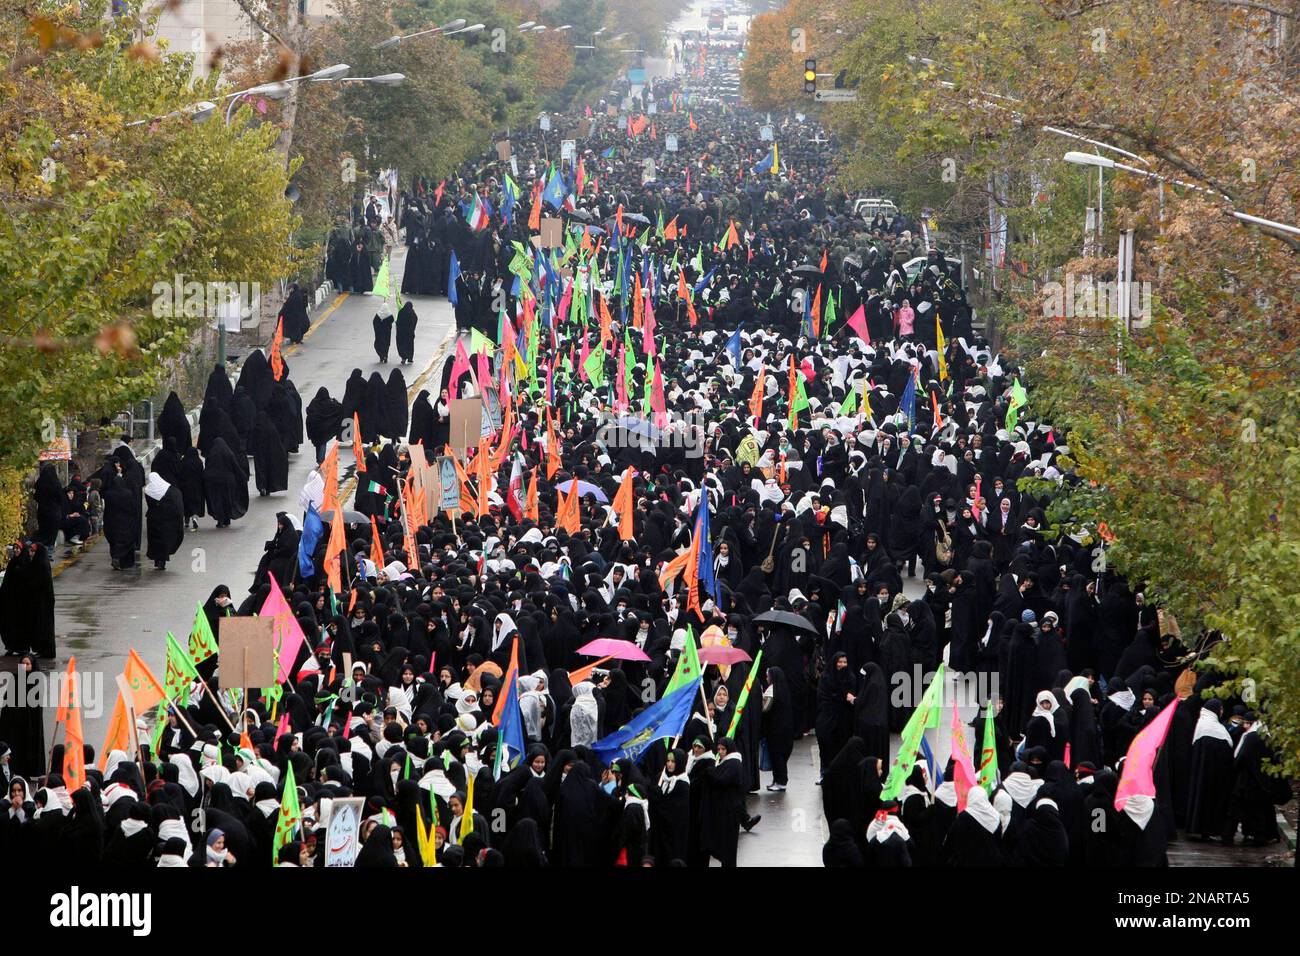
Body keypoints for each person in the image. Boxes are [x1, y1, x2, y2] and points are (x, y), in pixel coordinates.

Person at [143, 472, 185, 570]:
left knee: (155, 541)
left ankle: (157, 560)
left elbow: (150, 505)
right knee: (164, 540)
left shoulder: (148, 490)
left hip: (153, 520)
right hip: (167, 520)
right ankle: (162, 560)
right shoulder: (169, 489)